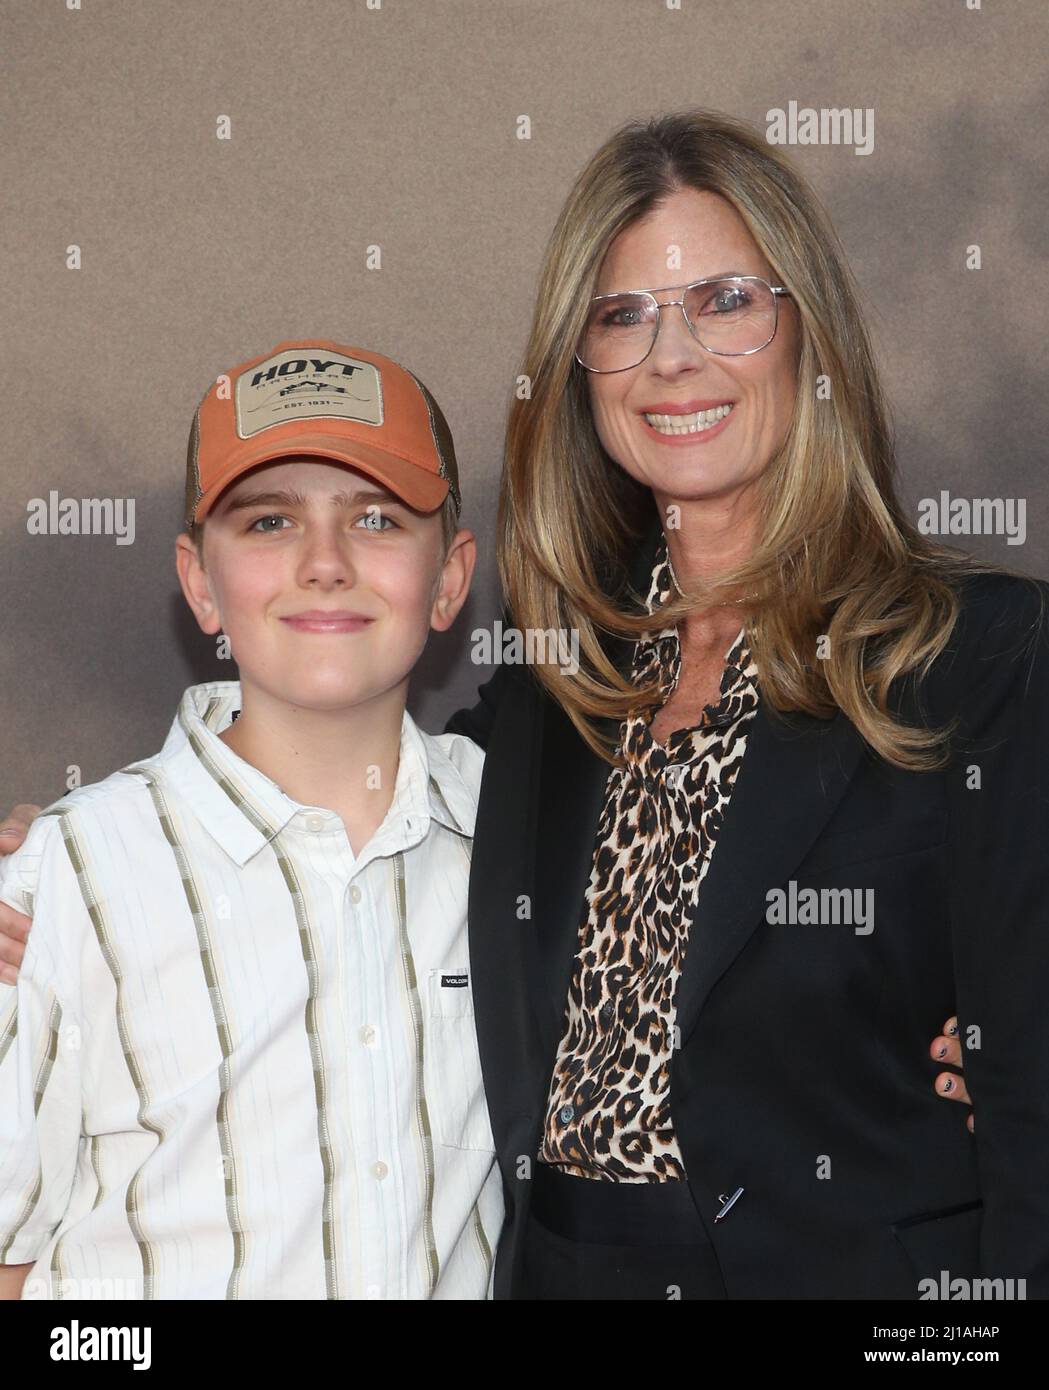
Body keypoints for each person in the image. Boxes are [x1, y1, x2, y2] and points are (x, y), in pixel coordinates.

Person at [437, 108, 1048, 1299]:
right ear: (579, 369)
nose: (672, 357)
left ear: (804, 333)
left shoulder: (981, 655)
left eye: (723, 300)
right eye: (622, 316)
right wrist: (77, 858)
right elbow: (351, 825)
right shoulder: (551, 688)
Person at [0, 339, 502, 1300]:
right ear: (199, 582)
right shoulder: (67, 876)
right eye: (270, 521)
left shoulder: (522, 842)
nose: (324, 563)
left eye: (377, 519)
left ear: (449, 579)